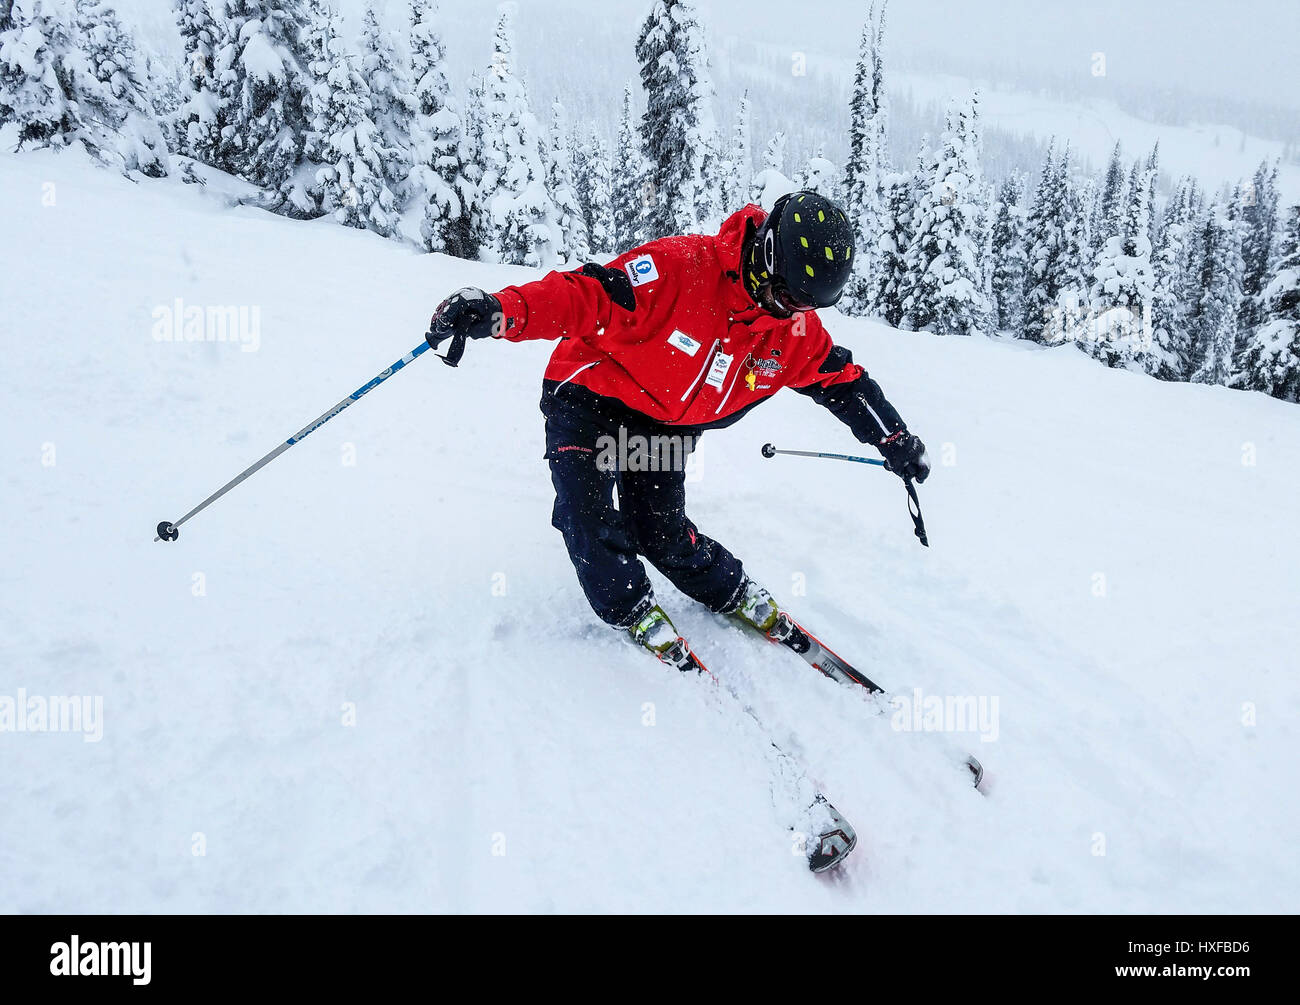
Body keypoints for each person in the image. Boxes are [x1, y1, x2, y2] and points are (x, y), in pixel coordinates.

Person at [427, 191, 929, 670]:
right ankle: (629, 606)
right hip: (590, 397)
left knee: (660, 530)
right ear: (766, 255)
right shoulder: (679, 268)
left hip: (662, 424)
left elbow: (841, 381)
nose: (789, 312)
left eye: (804, 305)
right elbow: (587, 295)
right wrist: (500, 311)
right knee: (588, 513)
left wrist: (894, 439)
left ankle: (730, 589)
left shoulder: (791, 329)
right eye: (784, 295)